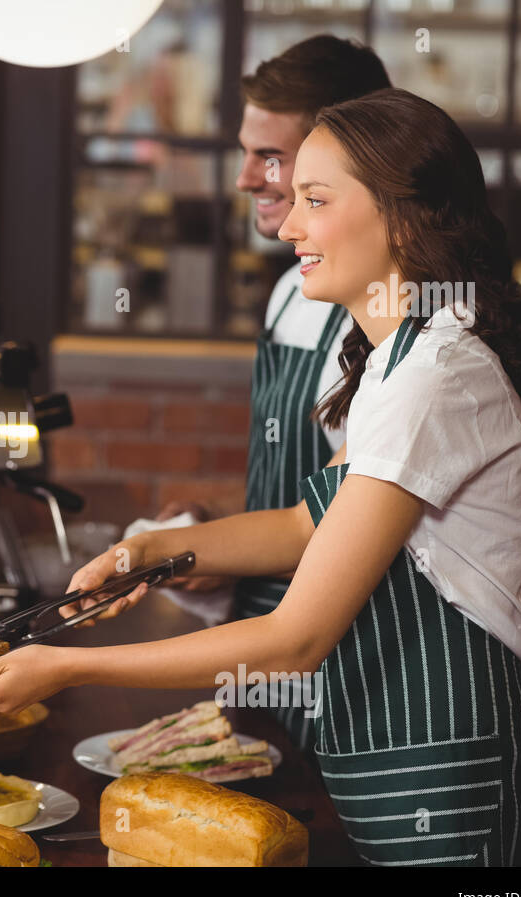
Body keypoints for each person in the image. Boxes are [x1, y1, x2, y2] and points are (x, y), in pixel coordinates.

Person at [0, 89, 521, 866]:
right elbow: (304, 526)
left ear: (404, 219)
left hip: (456, 794)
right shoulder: (396, 361)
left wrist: (66, 666)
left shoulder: (438, 375)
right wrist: (153, 552)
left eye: (314, 200)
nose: (291, 226)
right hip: (397, 774)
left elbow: (295, 639)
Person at [154, 36, 390, 754]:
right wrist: (209, 533)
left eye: (273, 158)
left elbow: (340, 524)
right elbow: (306, 490)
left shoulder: (392, 321)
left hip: (355, 671)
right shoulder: (293, 288)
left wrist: (187, 552)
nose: (245, 178)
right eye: (245, 151)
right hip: (262, 659)